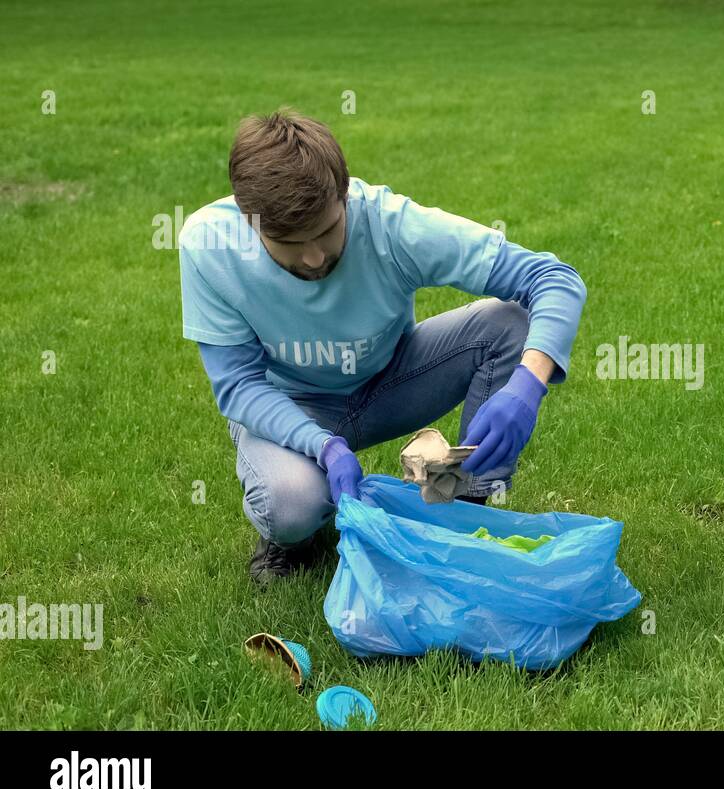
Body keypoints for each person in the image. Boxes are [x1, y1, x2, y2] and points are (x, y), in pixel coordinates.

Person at [178, 109, 586, 586]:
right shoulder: (210, 245)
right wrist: (322, 445)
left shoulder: (392, 225)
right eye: (289, 242)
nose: (314, 257)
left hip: (389, 383)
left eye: (328, 231)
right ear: (251, 224)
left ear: (344, 195)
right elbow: (239, 386)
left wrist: (527, 385)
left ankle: (463, 517)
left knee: (507, 324)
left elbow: (552, 278)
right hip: (291, 408)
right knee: (290, 504)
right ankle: (291, 540)